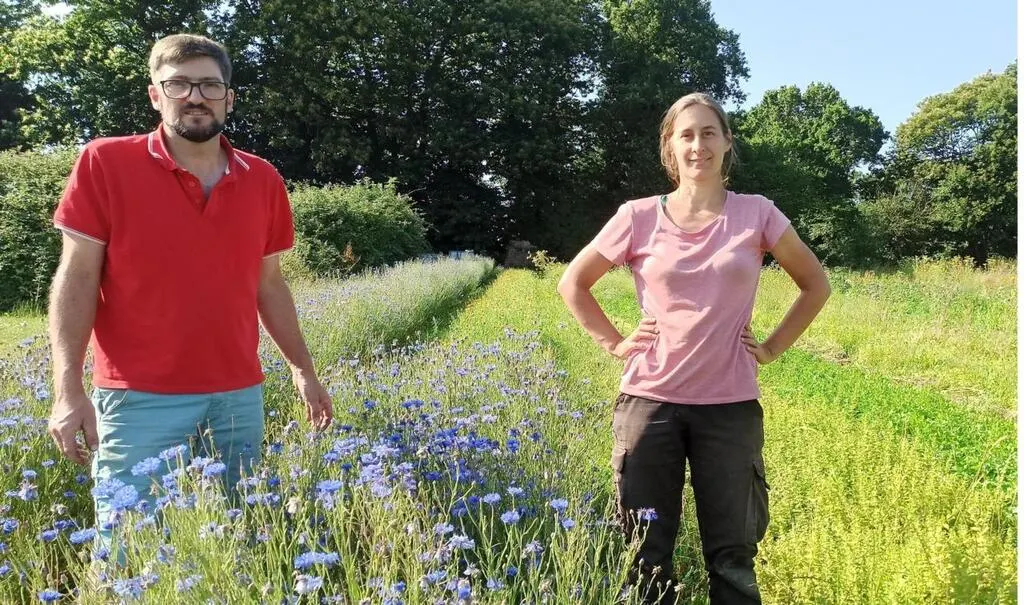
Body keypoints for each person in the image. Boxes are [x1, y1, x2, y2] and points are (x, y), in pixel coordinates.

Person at [46, 34, 333, 555]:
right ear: (156, 95)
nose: (194, 97)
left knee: (233, 545)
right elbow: (77, 279)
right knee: (132, 553)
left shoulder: (262, 178)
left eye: (208, 85)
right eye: (178, 84)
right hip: (139, 399)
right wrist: (67, 391)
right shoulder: (105, 163)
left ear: (229, 97)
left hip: (238, 398)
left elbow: (269, 284)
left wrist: (303, 369)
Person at [557, 92, 830, 604]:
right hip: (648, 404)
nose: (698, 145)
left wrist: (771, 348)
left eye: (709, 133)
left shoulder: (758, 215)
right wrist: (616, 343)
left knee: (732, 557)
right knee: (644, 553)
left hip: (729, 409)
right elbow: (573, 283)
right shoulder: (636, 216)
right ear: (669, 146)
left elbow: (815, 284)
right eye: (686, 134)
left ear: (727, 143)